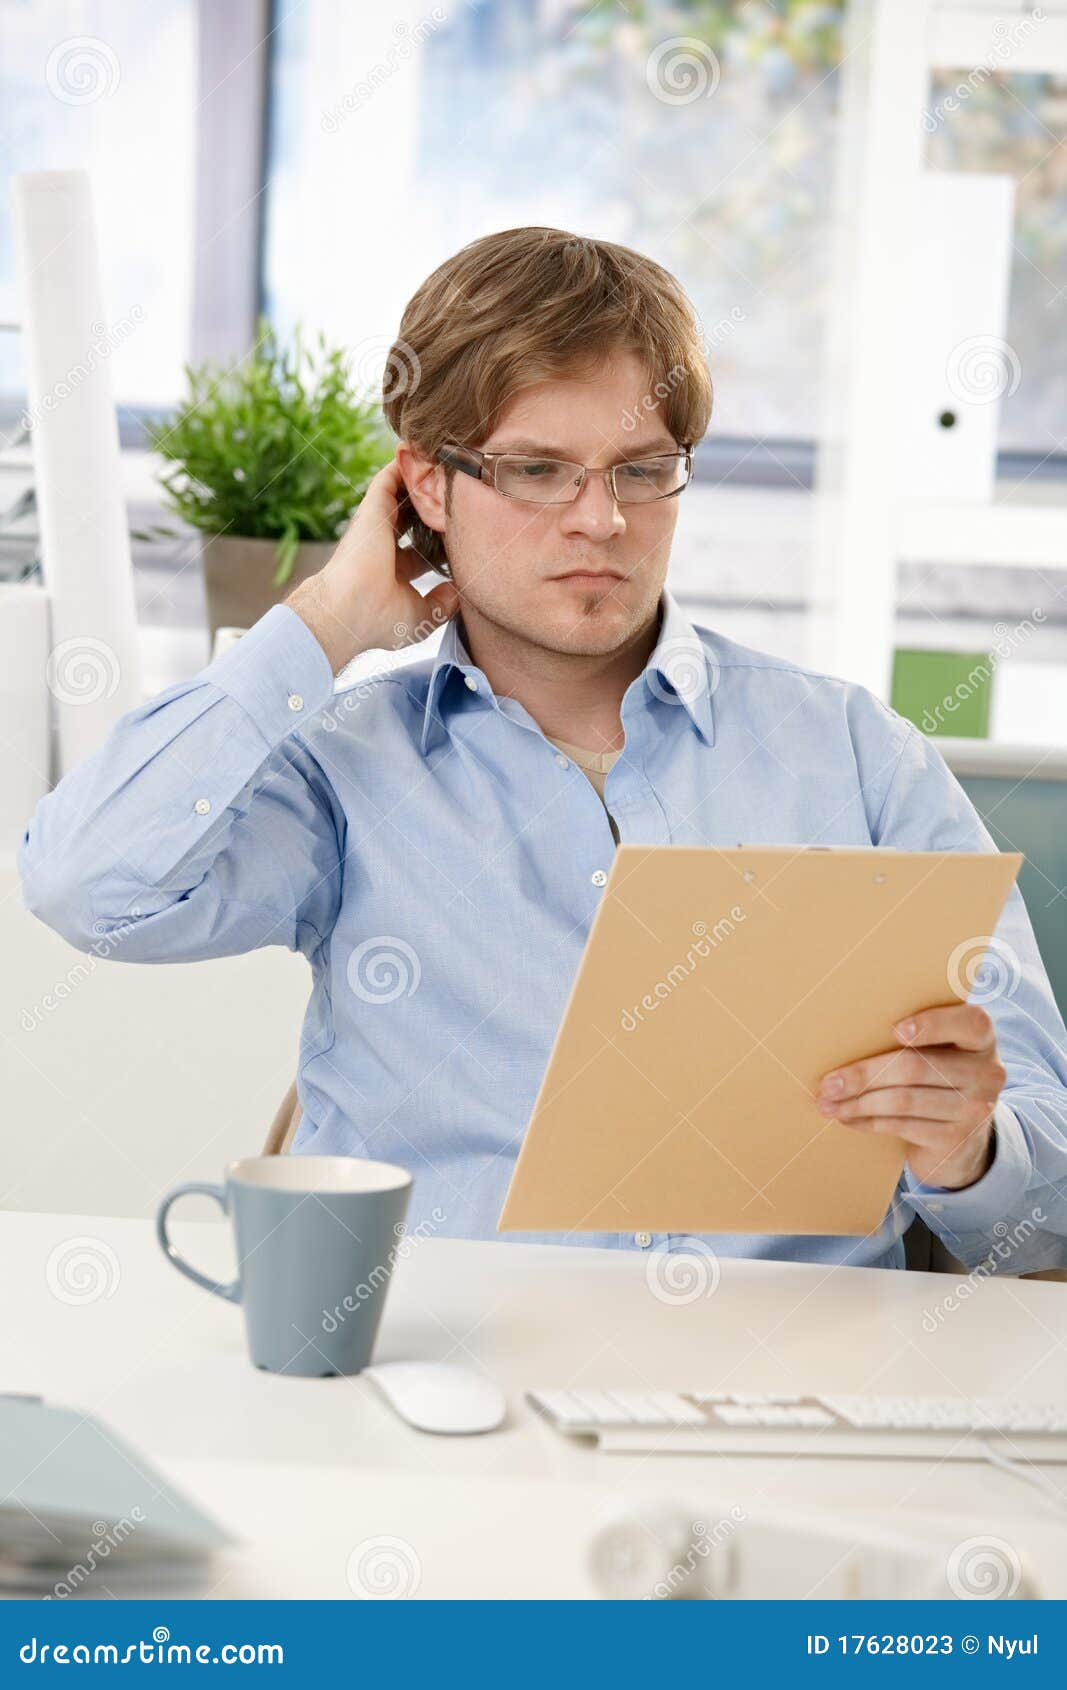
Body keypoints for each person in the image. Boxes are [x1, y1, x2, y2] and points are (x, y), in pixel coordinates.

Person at [18, 227, 1067, 1272]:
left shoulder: (854, 754)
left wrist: (967, 1154)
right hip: (441, 1386)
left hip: (792, 1391)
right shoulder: (341, 770)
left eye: (642, 470)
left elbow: (1048, 1192)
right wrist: (328, 616)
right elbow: (85, 884)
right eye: (536, 471)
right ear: (425, 487)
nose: (601, 520)